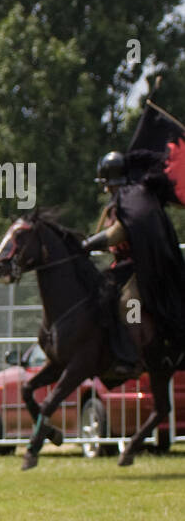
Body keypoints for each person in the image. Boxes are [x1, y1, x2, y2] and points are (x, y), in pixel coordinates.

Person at [83, 149, 185, 375]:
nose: (106, 188)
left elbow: (119, 233)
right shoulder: (120, 202)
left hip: (143, 269)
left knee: (130, 303)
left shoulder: (135, 198)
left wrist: (88, 244)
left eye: (107, 183)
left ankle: (136, 354)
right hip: (120, 268)